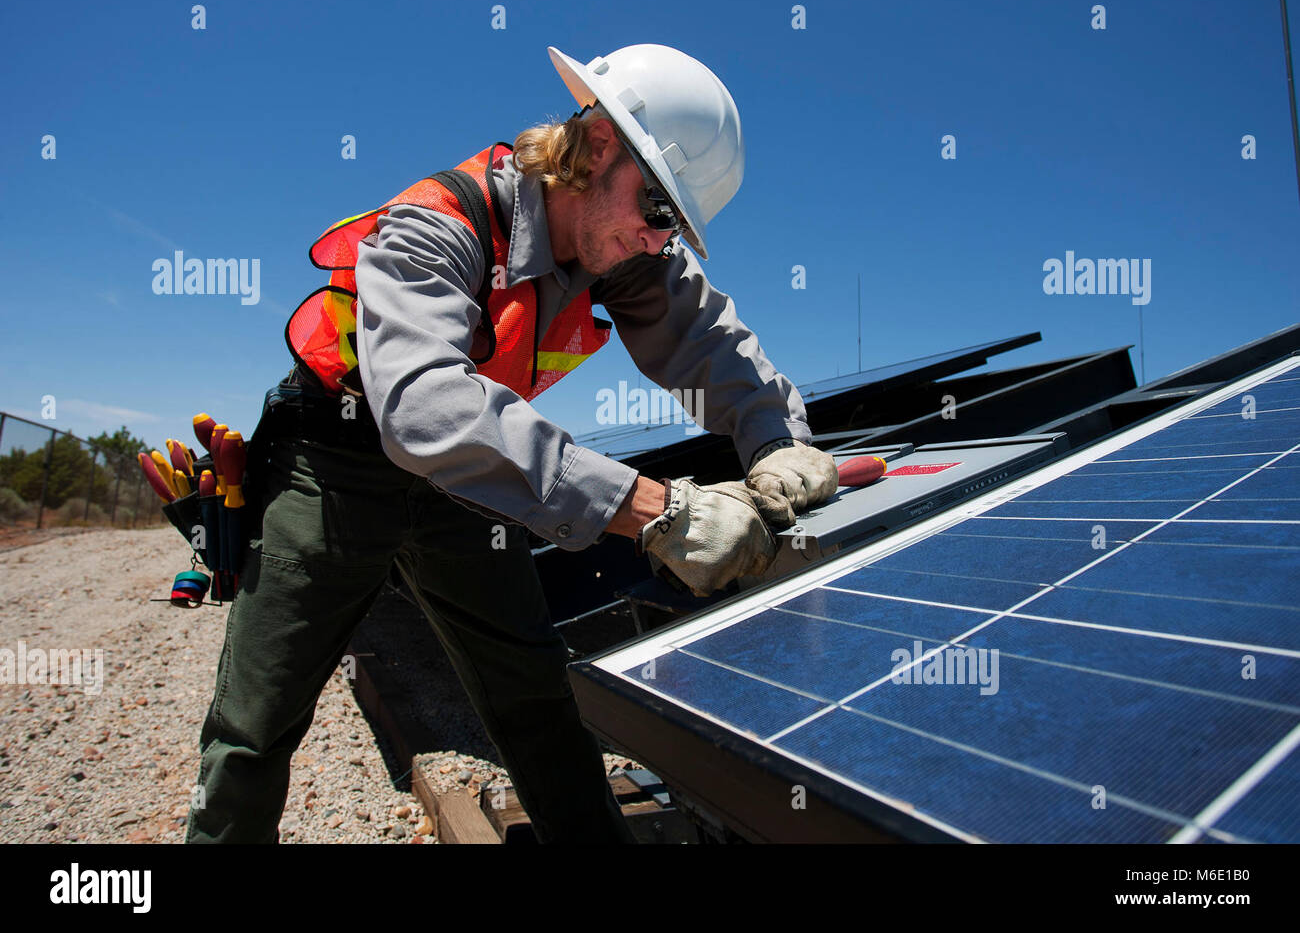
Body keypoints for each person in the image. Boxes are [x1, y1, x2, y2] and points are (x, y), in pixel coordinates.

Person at [185, 43, 838, 844]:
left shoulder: (623, 249)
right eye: (657, 209)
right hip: (336, 460)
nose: (656, 238)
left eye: (673, 224)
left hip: (459, 482)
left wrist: (778, 442)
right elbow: (426, 407)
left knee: (534, 696)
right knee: (258, 722)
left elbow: (710, 343)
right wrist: (659, 511)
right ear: (598, 148)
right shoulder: (438, 223)